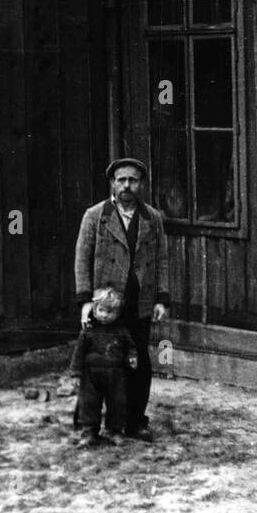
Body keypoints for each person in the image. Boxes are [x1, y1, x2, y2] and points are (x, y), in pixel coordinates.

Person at [74, 158, 170, 441]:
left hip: (139, 302)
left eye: (133, 180)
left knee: (137, 362)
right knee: (98, 364)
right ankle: (88, 425)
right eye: (121, 180)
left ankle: (135, 422)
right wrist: (86, 301)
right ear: (113, 184)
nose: (127, 186)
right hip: (106, 303)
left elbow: (162, 259)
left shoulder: (152, 218)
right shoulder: (95, 216)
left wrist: (161, 299)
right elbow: (82, 258)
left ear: (141, 184)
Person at [71, 285, 138, 448]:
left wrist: (132, 357)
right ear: (95, 309)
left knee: (117, 404)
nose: (105, 315)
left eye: (110, 312)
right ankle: (89, 432)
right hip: (91, 376)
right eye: (101, 310)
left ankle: (114, 431)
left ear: (118, 313)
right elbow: (78, 352)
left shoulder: (121, 330)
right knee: (89, 404)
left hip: (115, 375)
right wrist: (75, 373)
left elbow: (130, 347)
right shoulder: (89, 330)